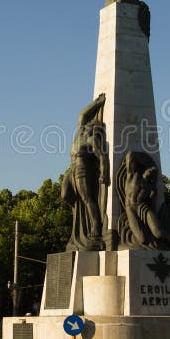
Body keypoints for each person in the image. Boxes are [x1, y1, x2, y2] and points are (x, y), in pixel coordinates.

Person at [62, 94, 109, 250]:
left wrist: (104, 173)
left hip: (82, 169)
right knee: (65, 195)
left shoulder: (91, 140)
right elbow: (82, 114)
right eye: (88, 124)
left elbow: (102, 157)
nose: (88, 125)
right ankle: (80, 221)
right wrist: (97, 103)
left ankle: (96, 225)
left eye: (91, 125)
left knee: (87, 198)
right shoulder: (79, 133)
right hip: (71, 170)